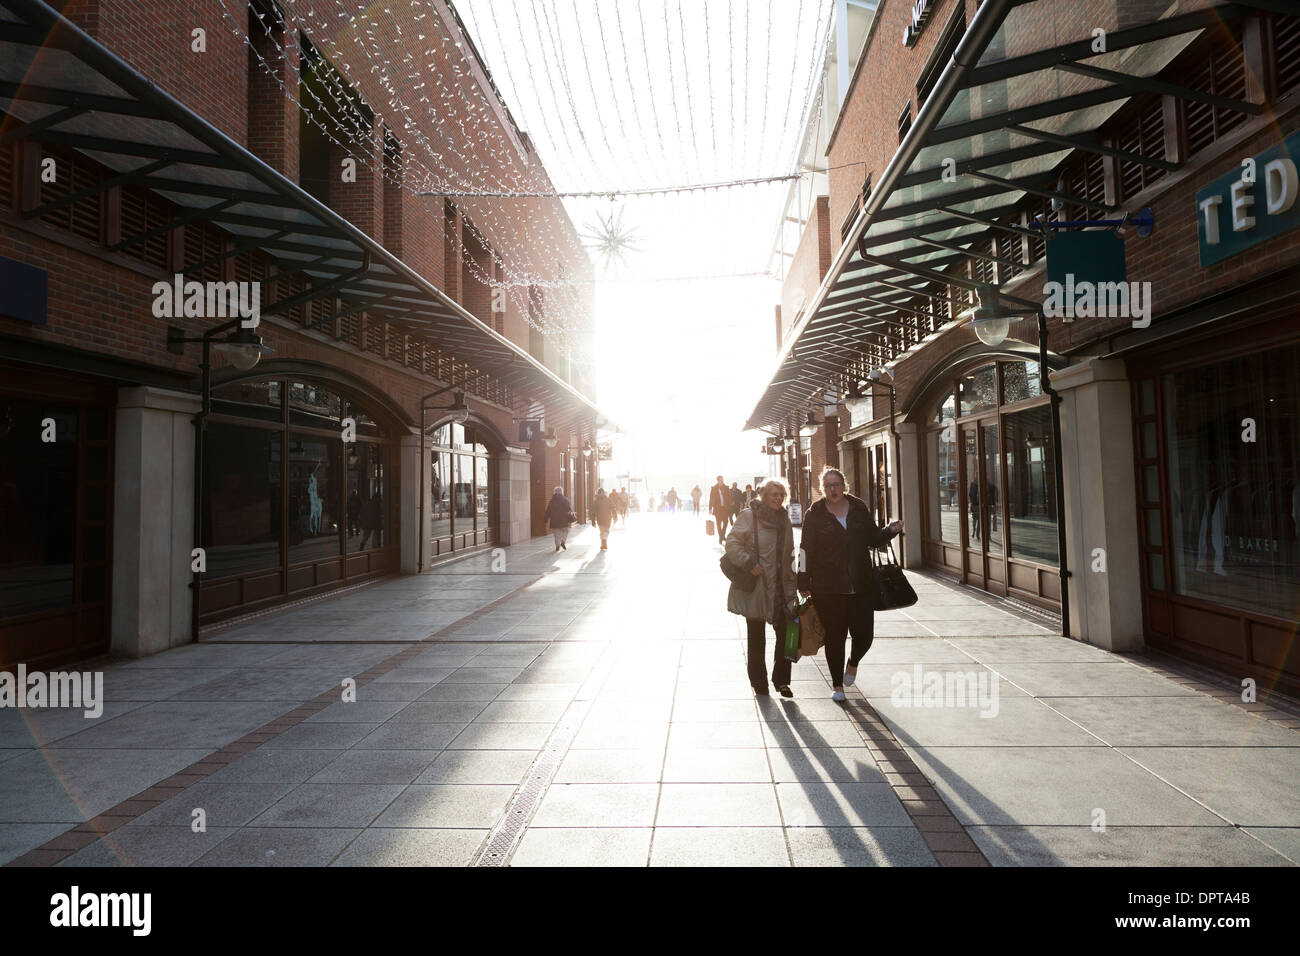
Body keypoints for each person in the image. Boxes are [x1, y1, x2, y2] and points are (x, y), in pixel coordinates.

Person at [798, 466, 903, 702]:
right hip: (828, 588)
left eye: (836, 484)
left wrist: (890, 531)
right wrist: (802, 579)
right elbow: (805, 550)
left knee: (864, 635)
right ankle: (837, 685)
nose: (832, 489)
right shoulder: (814, 513)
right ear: (822, 488)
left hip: (861, 585)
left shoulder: (858, 508)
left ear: (844, 486)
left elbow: (873, 538)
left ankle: (853, 663)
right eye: (828, 486)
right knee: (835, 637)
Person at [725, 479, 798, 698]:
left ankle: (782, 680)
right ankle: (759, 683)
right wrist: (748, 562)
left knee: (787, 634)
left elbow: (789, 554)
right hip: (757, 586)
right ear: (762, 496)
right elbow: (732, 542)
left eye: (780, 495)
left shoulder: (784, 519)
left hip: (780, 586)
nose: (777, 498)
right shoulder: (749, 515)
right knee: (756, 638)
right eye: (772, 494)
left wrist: (794, 584)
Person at [545, 485, 573, 552]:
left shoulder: (551, 501)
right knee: (565, 531)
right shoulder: (565, 500)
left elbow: (548, 511)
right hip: (564, 520)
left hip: (554, 520)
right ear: (561, 492)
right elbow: (569, 509)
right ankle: (563, 541)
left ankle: (557, 546)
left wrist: (545, 518)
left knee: (556, 534)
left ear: (554, 492)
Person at [709, 475, 731, 543]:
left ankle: (722, 535)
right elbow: (711, 499)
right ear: (718, 480)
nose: (722, 481)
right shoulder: (714, 488)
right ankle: (720, 538)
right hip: (717, 509)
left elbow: (729, 498)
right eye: (720, 480)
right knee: (718, 524)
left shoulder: (726, 488)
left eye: (722, 479)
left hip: (725, 508)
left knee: (726, 522)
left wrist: (730, 506)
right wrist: (710, 508)